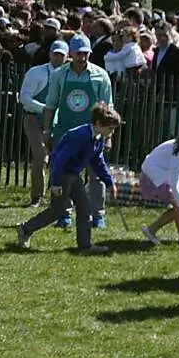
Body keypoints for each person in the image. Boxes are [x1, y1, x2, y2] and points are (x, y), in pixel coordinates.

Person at [16, 103, 122, 254]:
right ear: (98, 123)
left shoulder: (98, 138)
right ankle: (25, 228)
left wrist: (110, 183)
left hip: (74, 176)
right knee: (57, 211)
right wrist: (56, 182)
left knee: (85, 208)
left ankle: (85, 246)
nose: (112, 132)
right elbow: (60, 159)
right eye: (110, 128)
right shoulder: (80, 135)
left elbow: (98, 162)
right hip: (63, 174)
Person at [42, 33, 114, 228]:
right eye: (78, 53)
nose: (82, 58)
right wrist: (47, 131)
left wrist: (108, 137)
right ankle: (63, 213)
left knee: (96, 174)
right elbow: (50, 104)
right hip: (65, 132)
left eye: (86, 53)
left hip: (93, 135)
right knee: (63, 172)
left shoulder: (100, 76)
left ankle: (98, 215)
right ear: (70, 54)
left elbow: (108, 108)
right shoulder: (59, 75)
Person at [15, 40, 68, 208]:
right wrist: (44, 109)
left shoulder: (69, 74)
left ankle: (59, 196)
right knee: (40, 155)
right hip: (34, 118)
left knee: (61, 157)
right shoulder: (36, 73)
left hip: (59, 121)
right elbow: (24, 97)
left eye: (62, 55)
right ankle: (37, 196)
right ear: (50, 54)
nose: (58, 58)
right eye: (55, 54)